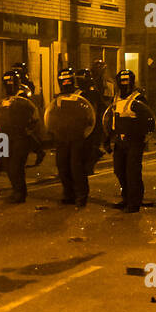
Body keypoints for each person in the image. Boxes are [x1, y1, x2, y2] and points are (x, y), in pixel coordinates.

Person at [44, 67, 97, 207]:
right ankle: (68, 193)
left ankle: (81, 195)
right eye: (63, 81)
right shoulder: (58, 98)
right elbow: (53, 115)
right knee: (62, 166)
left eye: (68, 80)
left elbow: (90, 116)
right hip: (62, 137)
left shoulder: (82, 96)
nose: (65, 83)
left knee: (76, 167)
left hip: (77, 137)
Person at [103, 69, 154, 213]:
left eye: (127, 81)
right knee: (119, 170)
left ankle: (134, 201)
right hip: (120, 140)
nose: (124, 84)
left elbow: (148, 120)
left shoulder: (139, 98)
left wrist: (143, 139)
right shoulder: (117, 98)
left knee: (133, 172)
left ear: (132, 82)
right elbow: (112, 119)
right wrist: (107, 139)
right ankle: (126, 197)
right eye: (122, 81)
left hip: (134, 140)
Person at [0, 71, 44, 203]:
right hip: (4, 135)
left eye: (11, 83)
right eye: (6, 83)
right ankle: (16, 190)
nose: (9, 86)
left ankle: (20, 193)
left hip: (20, 135)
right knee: (7, 165)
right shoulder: (6, 98)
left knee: (16, 166)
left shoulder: (23, 98)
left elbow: (29, 115)